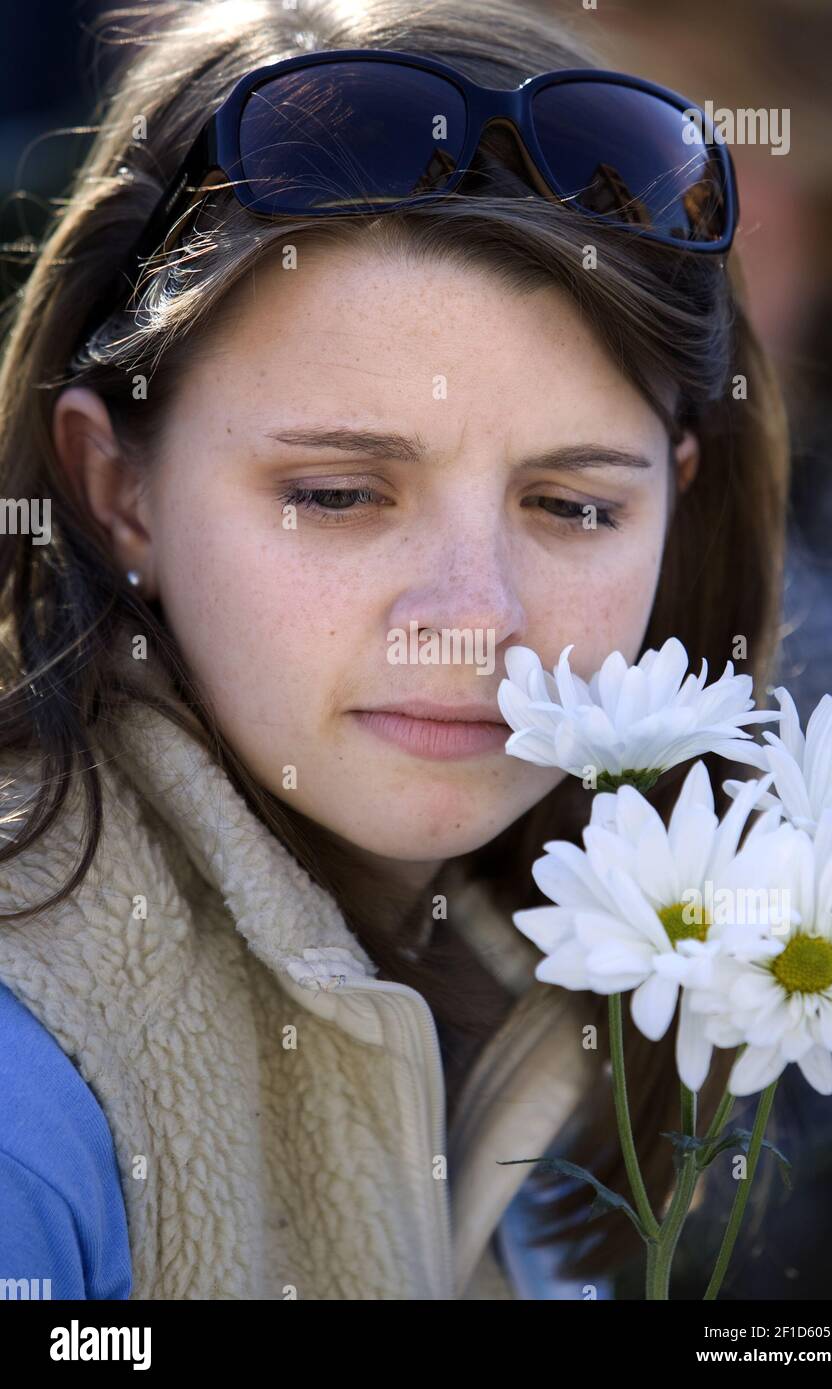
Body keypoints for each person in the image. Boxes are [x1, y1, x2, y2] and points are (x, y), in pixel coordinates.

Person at [0, 0, 789, 1300]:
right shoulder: (31, 1097)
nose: (472, 613)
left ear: (676, 500)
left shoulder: (537, 966)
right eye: (339, 494)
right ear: (116, 487)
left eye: (571, 506)